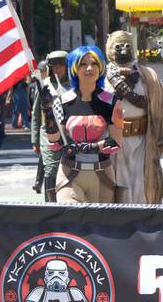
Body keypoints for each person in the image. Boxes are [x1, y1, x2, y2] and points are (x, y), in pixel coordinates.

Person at [99, 30, 163, 203]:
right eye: (118, 47)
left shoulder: (149, 76)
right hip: (112, 144)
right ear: (110, 50)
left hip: (143, 142)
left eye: (127, 45)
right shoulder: (101, 78)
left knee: (142, 189)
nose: (123, 50)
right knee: (114, 189)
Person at [46, 44, 121, 203]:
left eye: (94, 63)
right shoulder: (62, 102)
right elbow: (55, 141)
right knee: (70, 222)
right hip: (69, 173)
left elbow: (116, 142)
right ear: (74, 68)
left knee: (101, 226)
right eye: (83, 64)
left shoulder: (111, 101)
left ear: (101, 67)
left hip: (102, 175)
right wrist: (47, 111)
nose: (89, 68)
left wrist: (85, 147)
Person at [30, 50, 68, 199]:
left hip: (68, 134)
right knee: (51, 170)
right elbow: (36, 113)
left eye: (61, 66)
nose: (58, 69)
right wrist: (35, 140)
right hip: (48, 134)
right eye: (54, 66)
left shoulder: (75, 85)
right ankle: (50, 206)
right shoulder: (44, 86)